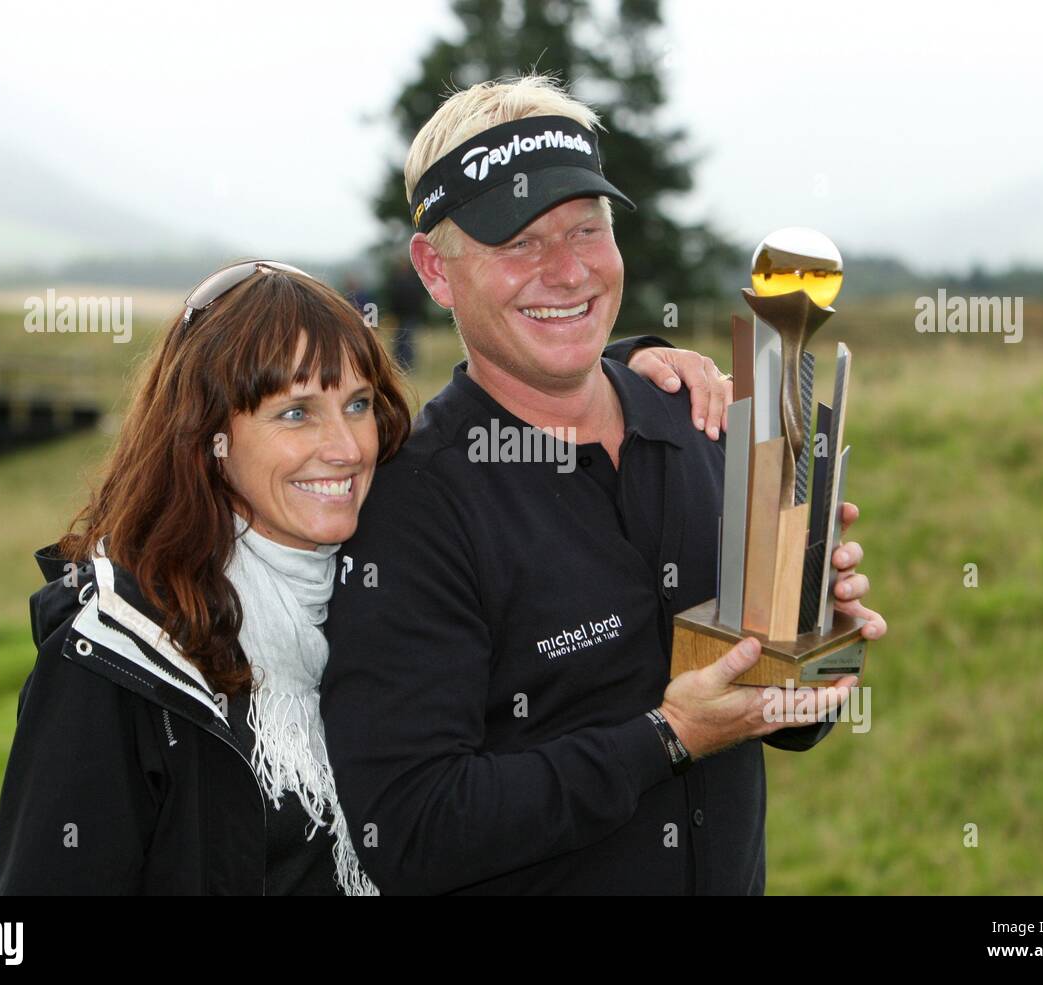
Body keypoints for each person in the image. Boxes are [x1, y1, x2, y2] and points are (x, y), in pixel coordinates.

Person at [0, 258, 737, 895]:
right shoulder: (117, 659)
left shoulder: (384, 578)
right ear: (207, 437)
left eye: (356, 405)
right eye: (294, 414)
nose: (344, 446)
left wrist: (641, 367)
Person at [320, 75, 889, 895]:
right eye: (517, 242)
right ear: (436, 272)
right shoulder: (411, 507)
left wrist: (818, 646)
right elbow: (407, 828)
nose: (565, 271)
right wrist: (668, 736)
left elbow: (779, 713)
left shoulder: (702, 424)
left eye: (587, 228)